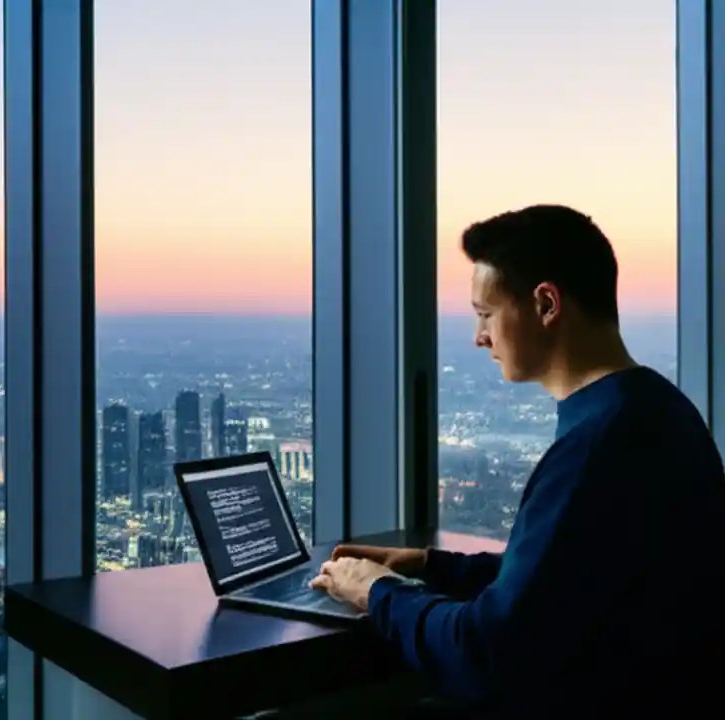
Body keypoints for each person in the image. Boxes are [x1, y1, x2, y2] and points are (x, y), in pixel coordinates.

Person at [308, 204, 725, 718]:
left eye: (485, 314)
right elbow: (567, 580)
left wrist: (377, 593)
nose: (479, 337)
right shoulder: (655, 409)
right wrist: (430, 566)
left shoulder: (598, 445)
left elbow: (485, 653)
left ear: (546, 304)